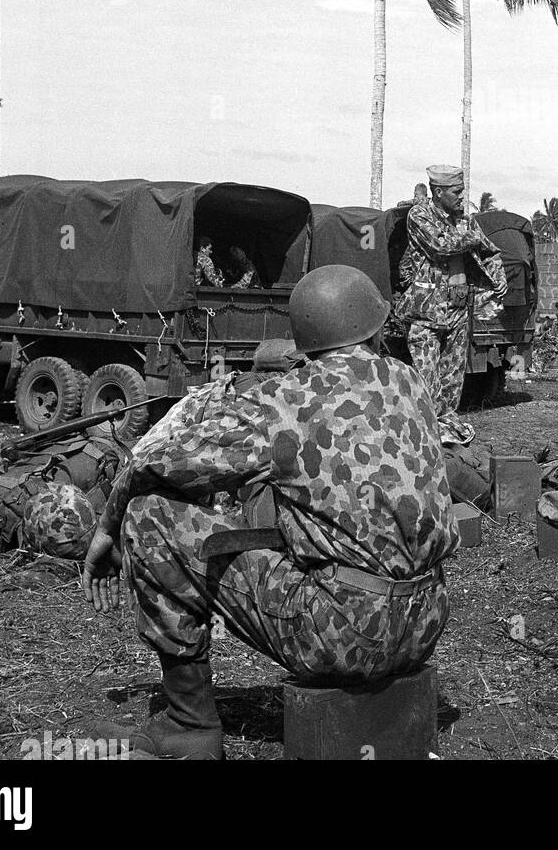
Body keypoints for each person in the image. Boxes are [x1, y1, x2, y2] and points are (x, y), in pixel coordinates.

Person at [80, 265, 457, 760]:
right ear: (377, 327)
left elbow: (155, 463)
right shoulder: (411, 382)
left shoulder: (282, 399)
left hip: (344, 636)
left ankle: (187, 724)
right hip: (426, 621)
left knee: (151, 515)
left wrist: (108, 526)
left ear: (303, 346)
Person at [396, 165, 507, 445]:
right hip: (426, 314)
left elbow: (490, 251)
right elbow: (441, 245)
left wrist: (498, 274)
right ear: (438, 192)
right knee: (426, 381)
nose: (461, 197)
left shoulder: (466, 221)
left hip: (458, 307)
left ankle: (445, 438)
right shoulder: (419, 215)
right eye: (456, 192)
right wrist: (473, 237)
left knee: (452, 380)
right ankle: (423, 438)